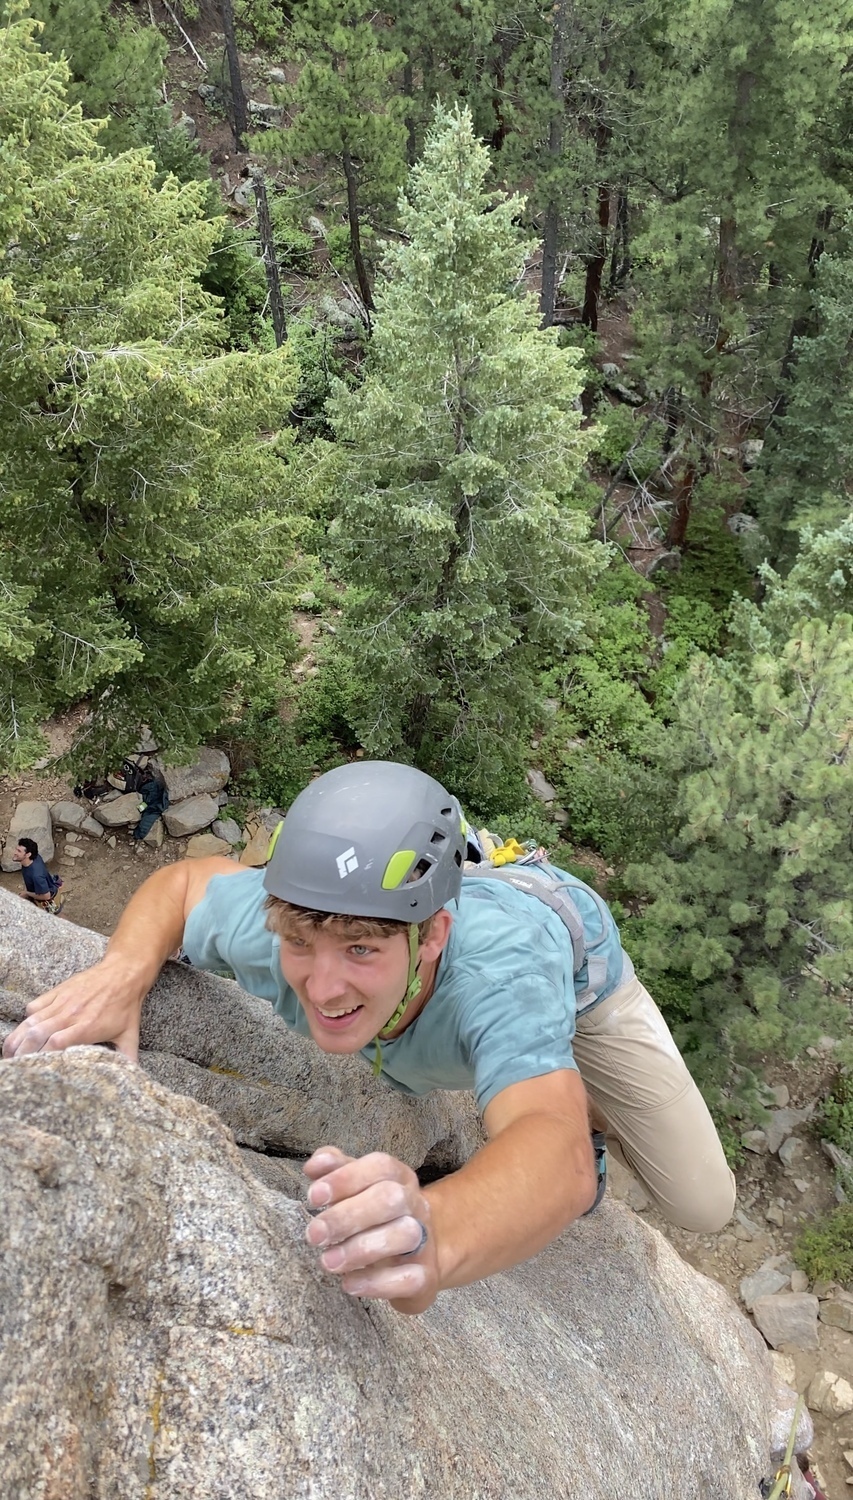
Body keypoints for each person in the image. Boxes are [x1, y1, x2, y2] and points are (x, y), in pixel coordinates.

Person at [3, 761, 735, 1315]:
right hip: (465, 975)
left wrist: (432, 1232)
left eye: (361, 949)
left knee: (703, 1204)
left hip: (576, 977)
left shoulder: (497, 978)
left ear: (431, 935)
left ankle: (583, 1090)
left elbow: (557, 1152)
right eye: (301, 943)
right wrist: (124, 970)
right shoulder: (293, 922)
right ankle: (533, 1064)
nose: (321, 988)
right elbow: (184, 886)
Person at [13, 838, 64, 915]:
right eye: (16, 849)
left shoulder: (36, 876)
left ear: (28, 855)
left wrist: (27, 893)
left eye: (19, 851)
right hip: (40, 888)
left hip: (47, 899)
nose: (15, 853)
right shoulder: (34, 857)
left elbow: (46, 896)